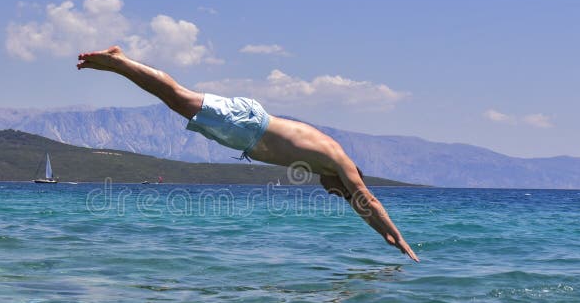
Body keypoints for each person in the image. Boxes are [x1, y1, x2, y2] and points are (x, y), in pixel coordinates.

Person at [78, 47, 419, 262]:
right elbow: (367, 200)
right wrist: (400, 237)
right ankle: (119, 62)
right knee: (179, 97)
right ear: (345, 179)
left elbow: (358, 205)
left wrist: (384, 234)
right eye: (337, 190)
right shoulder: (341, 163)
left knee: (175, 102)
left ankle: (120, 65)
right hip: (248, 124)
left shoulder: (331, 163)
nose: (330, 192)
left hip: (244, 131)